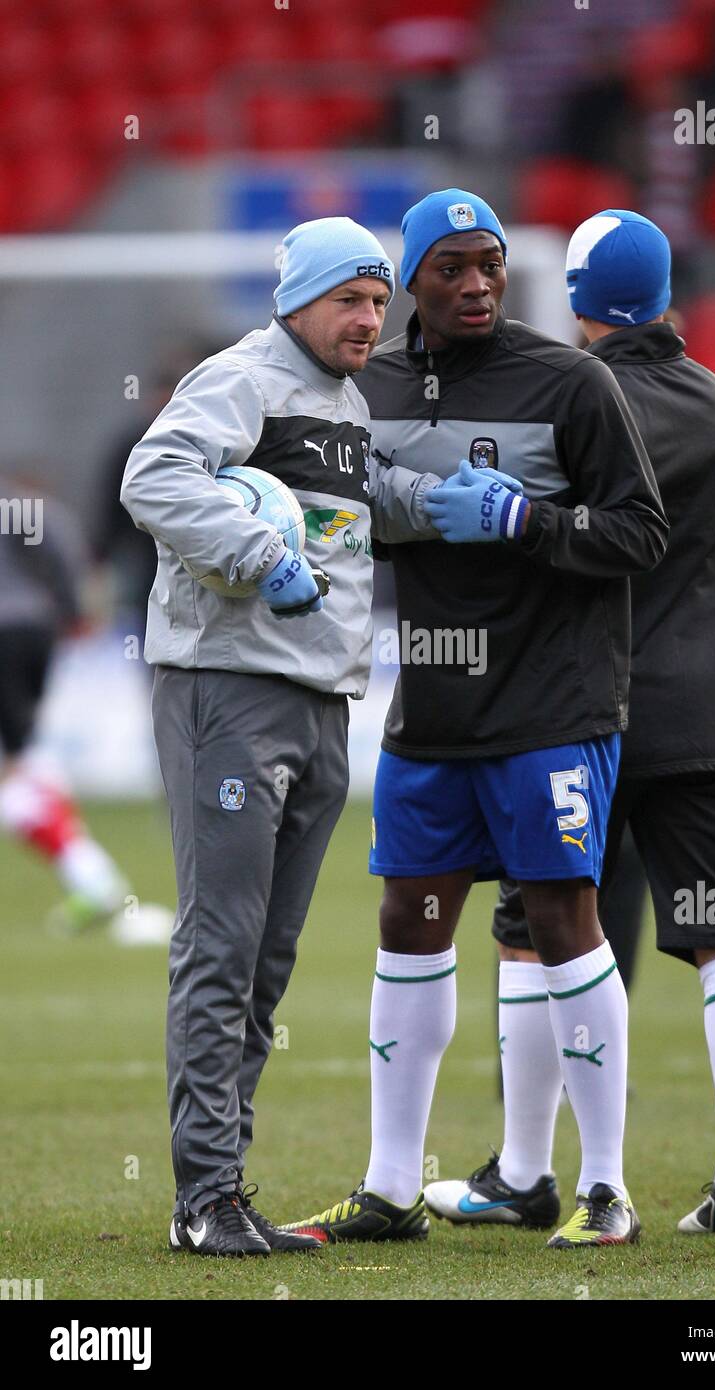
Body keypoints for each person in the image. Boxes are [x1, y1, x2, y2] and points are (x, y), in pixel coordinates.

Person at [283, 189, 668, 1250]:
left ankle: (604, 1190)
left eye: (489, 264)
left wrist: (525, 519)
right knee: (406, 922)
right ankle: (389, 1186)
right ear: (413, 278)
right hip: (433, 711)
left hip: (552, 703)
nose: (475, 284)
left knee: (557, 922)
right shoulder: (372, 389)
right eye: (450, 266)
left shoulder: (573, 381)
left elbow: (639, 533)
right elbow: (350, 526)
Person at [425, 210, 715, 1238]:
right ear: (665, 292)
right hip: (705, 714)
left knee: (531, 932)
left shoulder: (577, 398)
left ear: (574, 298)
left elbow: (539, 539)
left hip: (578, 707)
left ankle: (525, 1172)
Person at [120, 217, 441, 1258]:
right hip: (230, 693)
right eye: (350, 299)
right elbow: (153, 478)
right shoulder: (241, 378)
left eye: (379, 302)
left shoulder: (343, 403)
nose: (368, 319)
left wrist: (441, 505)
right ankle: (201, 1197)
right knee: (221, 944)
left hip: (317, 697)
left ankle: (222, 1188)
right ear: (297, 298)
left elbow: (355, 508)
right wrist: (262, 556)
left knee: (265, 959)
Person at [0, 470, 129, 931]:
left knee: (17, 771)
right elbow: (65, 550)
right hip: (34, 629)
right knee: (23, 757)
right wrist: (74, 612)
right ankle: (91, 877)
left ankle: (94, 880)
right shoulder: (24, 505)